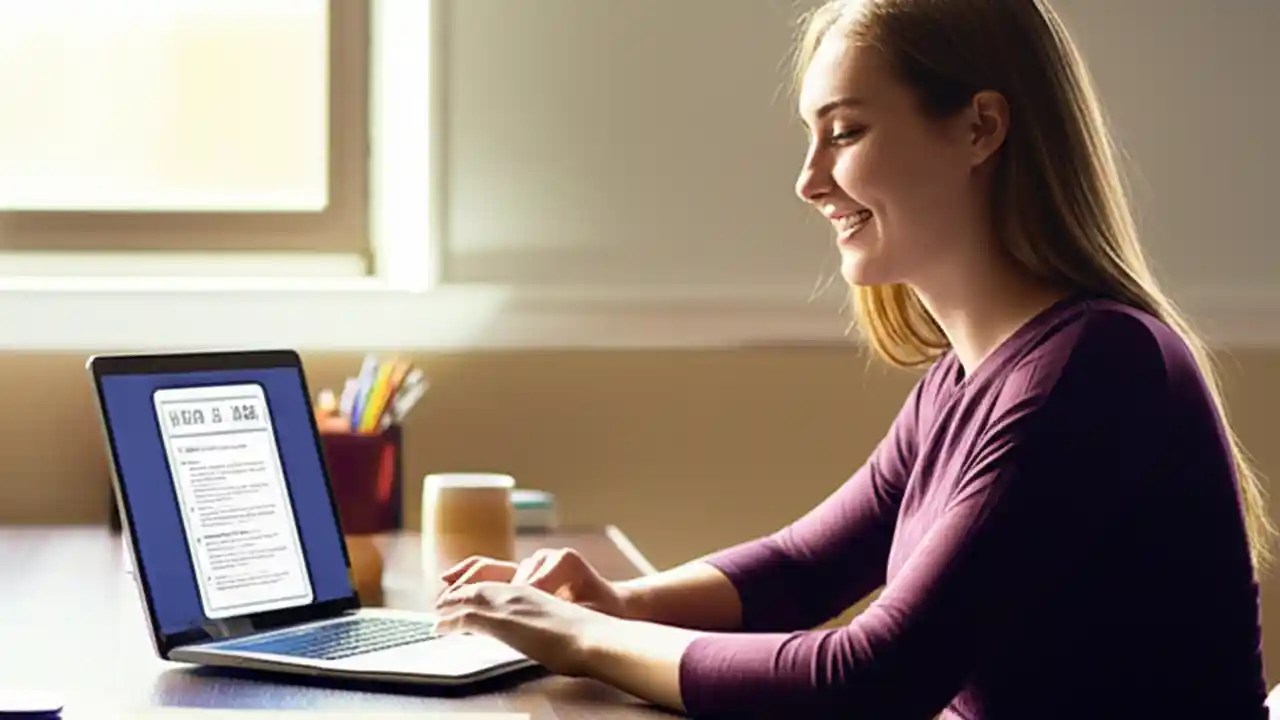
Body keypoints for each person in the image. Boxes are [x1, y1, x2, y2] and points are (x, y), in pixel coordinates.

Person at [432, 0, 1274, 717]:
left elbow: (875, 675)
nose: (808, 179)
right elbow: (803, 566)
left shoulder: (1098, 367)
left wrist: (587, 638)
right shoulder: (964, 378)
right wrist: (619, 603)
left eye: (846, 132)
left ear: (981, 127)